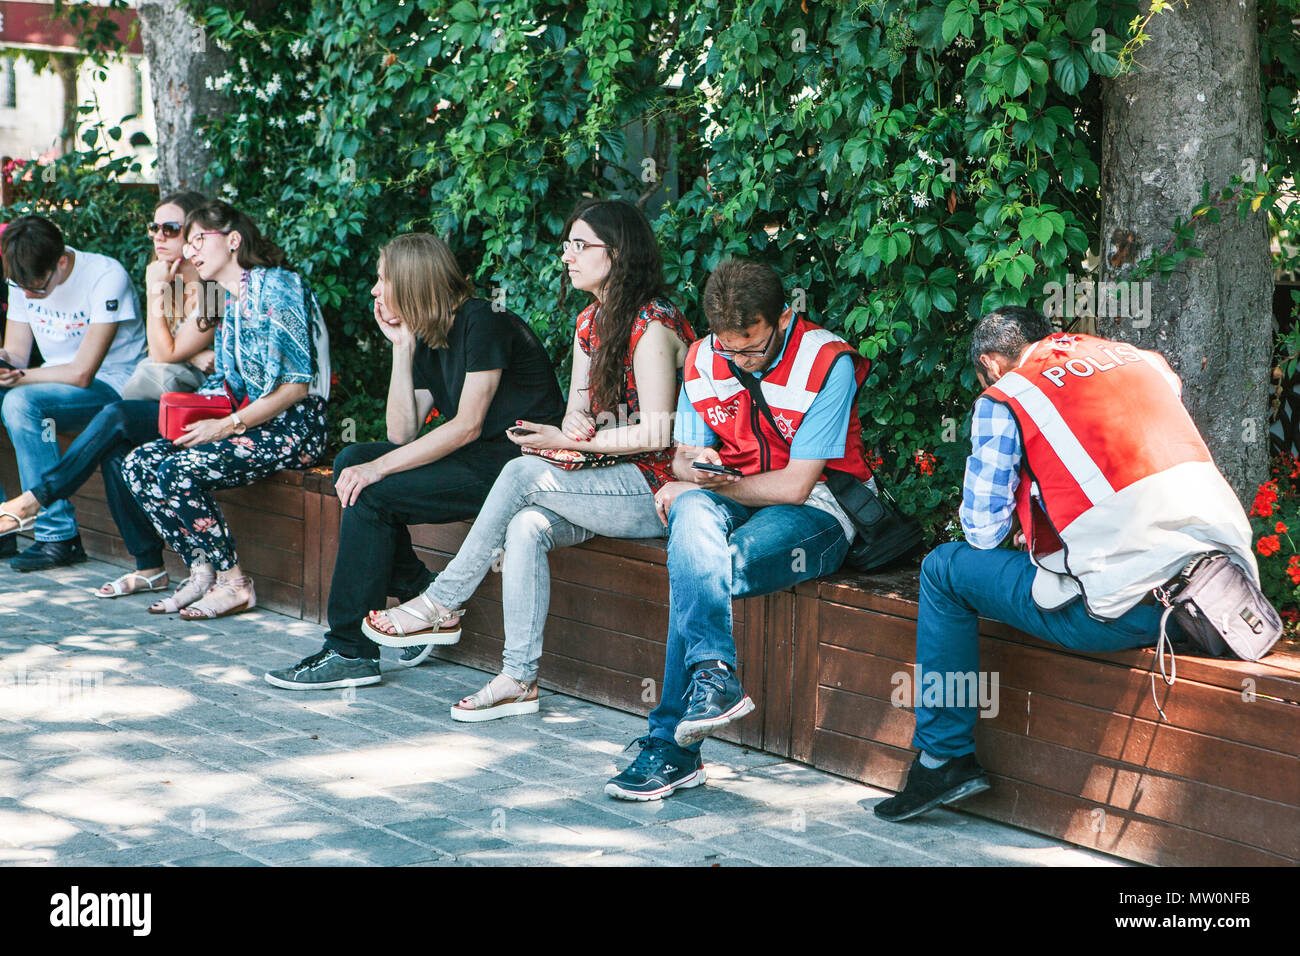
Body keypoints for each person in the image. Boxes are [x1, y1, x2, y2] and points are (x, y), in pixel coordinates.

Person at [873, 307, 1257, 822]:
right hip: (1217, 599)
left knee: (943, 569)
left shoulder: (1005, 397)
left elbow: (982, 534)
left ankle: (942, 758)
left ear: (991, 363)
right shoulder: (1141, 361)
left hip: (1124, 613)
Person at [361, 198, 696, 719]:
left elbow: (657, 430)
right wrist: (560, 433)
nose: (568, 255)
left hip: (658, 488)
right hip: (604, 479)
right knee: (526, 527)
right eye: (567, 244)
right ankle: (519, 678)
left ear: (620, 252)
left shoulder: (652, 324)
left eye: (581, 245)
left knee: (518, 472)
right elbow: (577, 417)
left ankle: (441, 602)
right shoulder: (590, 322)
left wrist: (578, 442)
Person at [604, 258, 877, 800]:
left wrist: (702, 487)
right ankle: (712, 677)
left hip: (818, 515)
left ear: (782, 317)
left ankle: (670, 745)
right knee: (690, 515)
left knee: (703, 563)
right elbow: (681, 459)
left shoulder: (828, 361)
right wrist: (695, 466)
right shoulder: (705, 357)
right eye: (728, 345)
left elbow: (796, 486)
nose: (739, 358)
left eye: (751, 345)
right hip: (731, 496)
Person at [263, 232, 566, 690]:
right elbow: (400, 432)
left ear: (410, 280)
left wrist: (379, 469)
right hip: (477, 459)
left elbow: (466, 425)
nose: (374, 290)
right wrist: (401, 349)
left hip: (517, 468)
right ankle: (419, 592)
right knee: (352, 459)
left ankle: (349, 649)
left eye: (382, 278)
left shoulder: (483, 321)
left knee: (372, 487)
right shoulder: (429, 333)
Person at [0, 191, 220, 597]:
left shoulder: (207, 286)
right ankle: (150, 568)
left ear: (197, 236)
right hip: (168, 400)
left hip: (198, 408)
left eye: (171, 229)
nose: (158, 236)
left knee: (109, 417)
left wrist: (157, 294)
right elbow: (172, 348)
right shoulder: (172, 282)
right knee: (118, 445)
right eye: (154, 227)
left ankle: (40, 509)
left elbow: (161, 352)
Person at [120, 200, 331, 619]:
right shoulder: (229, 303)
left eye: (200, 238)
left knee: (178, 470)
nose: (191, 249)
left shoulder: (279, 286)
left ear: (233, 240)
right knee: (139, 463)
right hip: (250, 422)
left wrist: (226, 426)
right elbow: (228, 385)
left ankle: (235, 583)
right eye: (190, 240)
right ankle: (201, 570)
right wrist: (193, 416)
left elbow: (296, 386)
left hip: (296, 424)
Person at [0, 215, 148, 570]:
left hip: (113, 386)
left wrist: (18, 379)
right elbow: (16, 355)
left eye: (37, 287)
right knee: (24, 399)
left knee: (23, 402)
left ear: (62, 261)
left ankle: (58, 535)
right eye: (20, 288)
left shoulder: (105, 277)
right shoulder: (23, 280)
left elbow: (83, 373)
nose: (28, 295)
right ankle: (4, 530)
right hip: (50, 384)